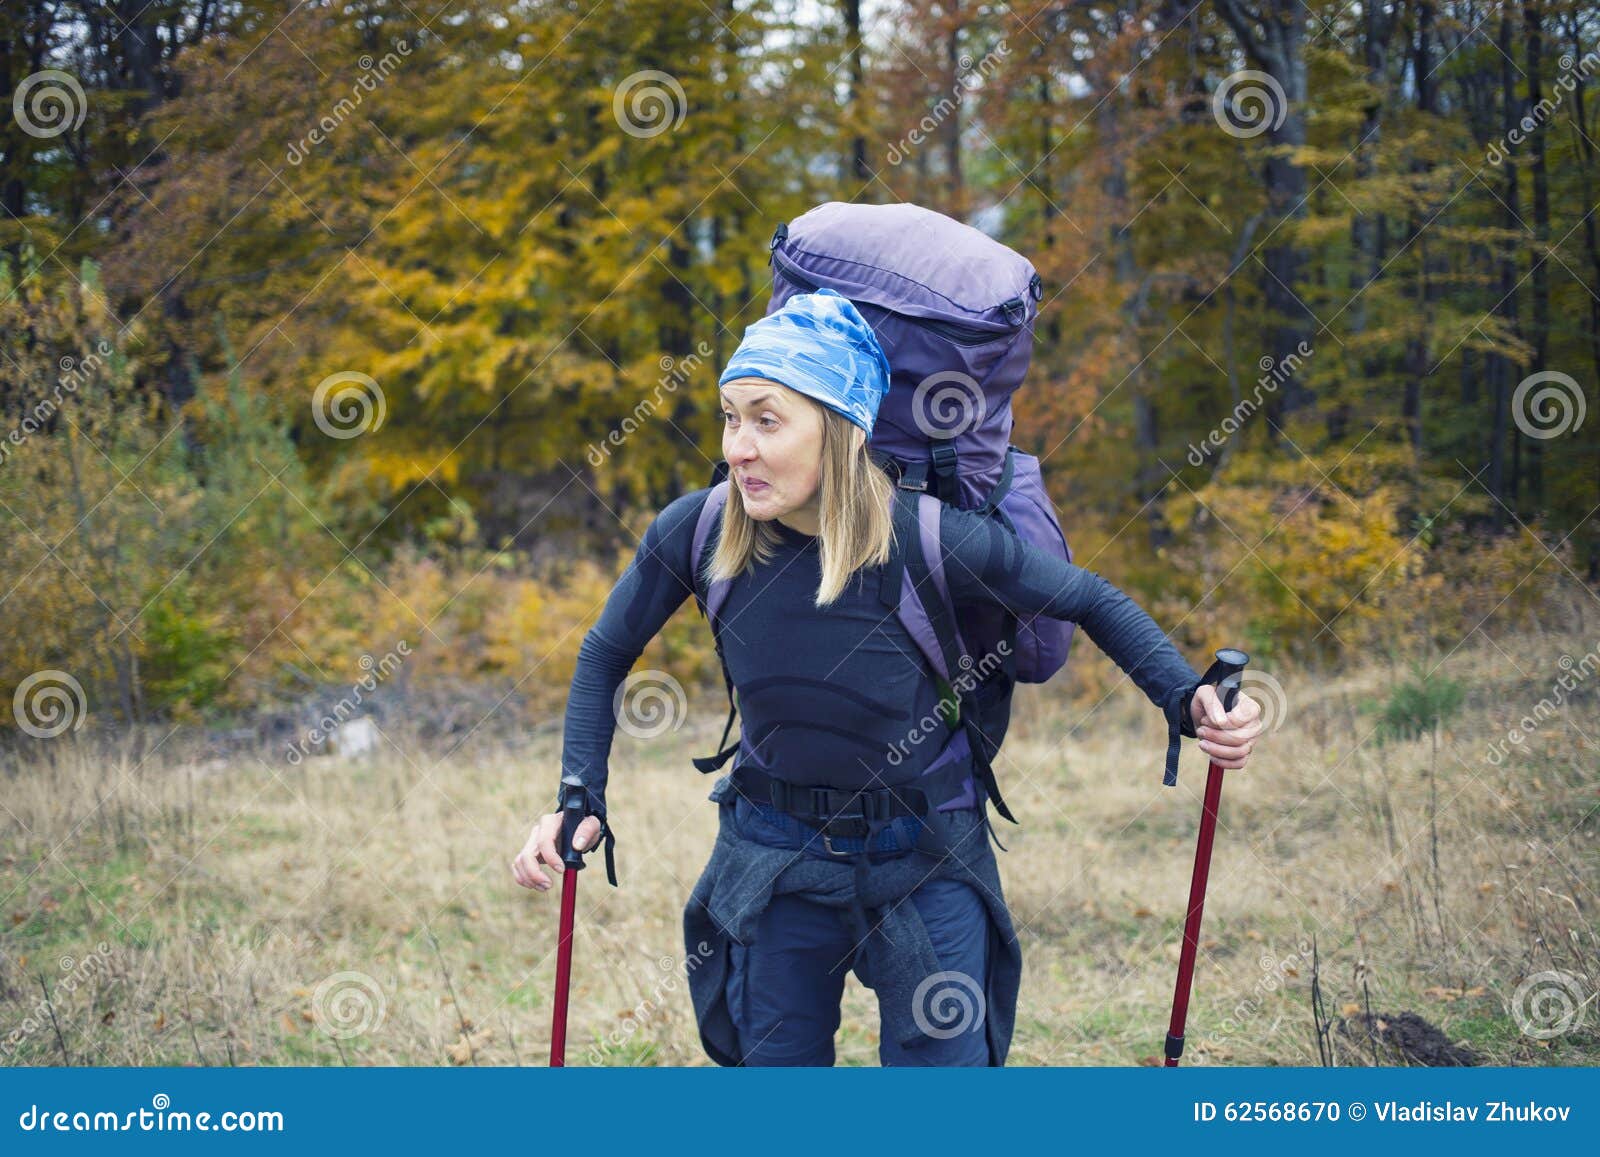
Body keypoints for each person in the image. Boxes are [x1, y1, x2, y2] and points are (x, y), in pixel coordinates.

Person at [511, 288, 1263, 1066]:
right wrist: (579, 795)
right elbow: (604, 651)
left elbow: (1091, 598)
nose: (737, 447)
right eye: (731, 416)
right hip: (774, 856)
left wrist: (1185, 696)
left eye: (767, 420)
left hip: (924, 853)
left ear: (839, 429)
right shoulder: (700, 529)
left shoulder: (930, 538)